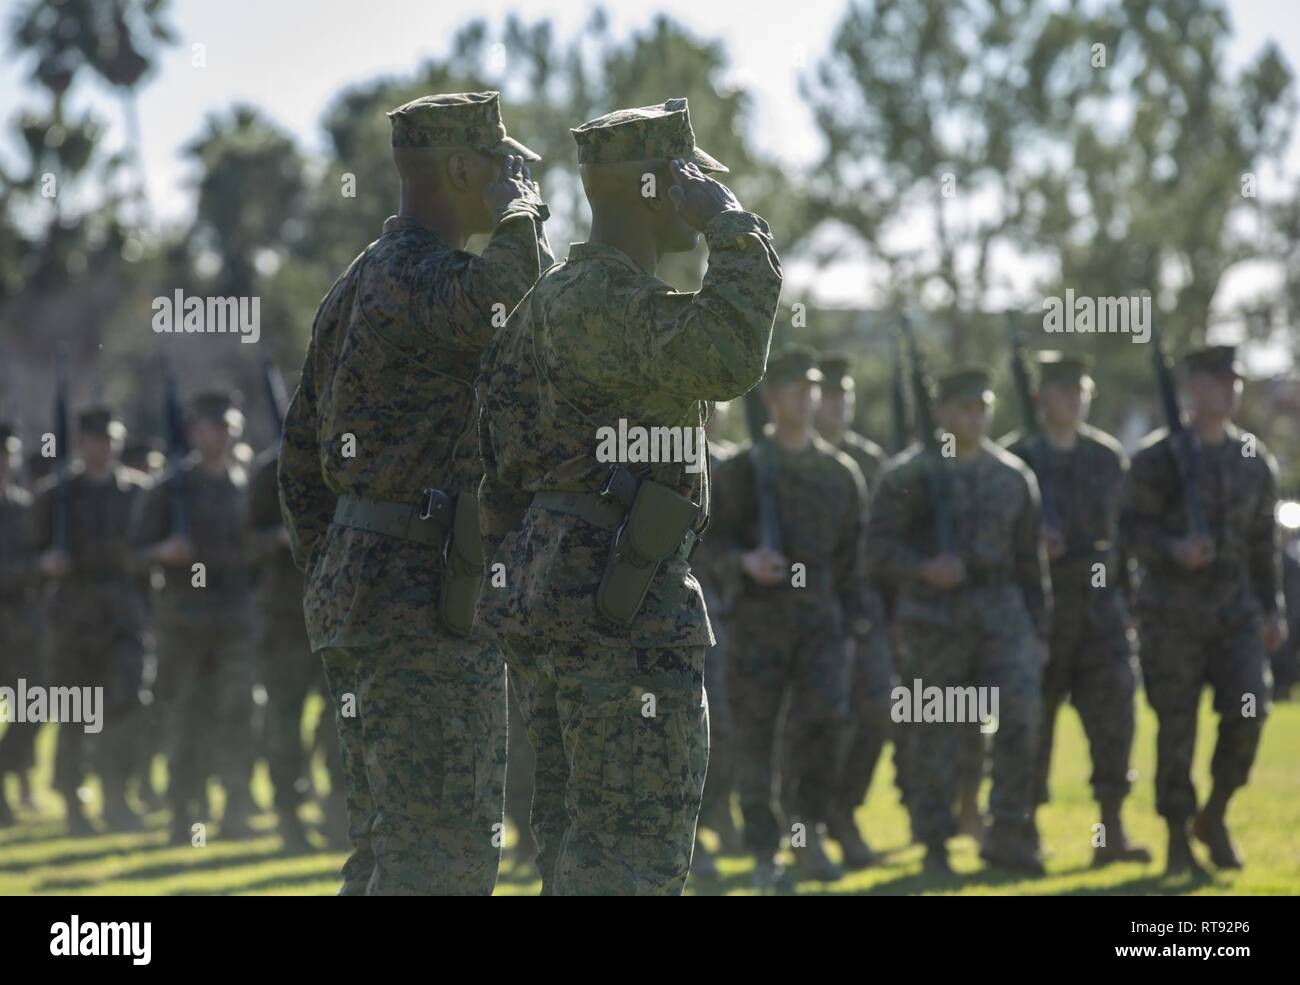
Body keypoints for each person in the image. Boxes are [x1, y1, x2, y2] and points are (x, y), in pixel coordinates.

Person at [477, 97, 782, 895]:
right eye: (687, 179)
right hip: (625, 610)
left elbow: (498, 466)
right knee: (633, 859)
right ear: (654, 189)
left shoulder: (545, 302)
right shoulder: (617, 304)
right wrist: (733, 226)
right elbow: (731, 356)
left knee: (575, 851)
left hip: (549, 602)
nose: (699, 191)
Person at [278, 91, 551, 895]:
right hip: (420, 603)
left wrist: (338, 566)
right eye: (498, 165)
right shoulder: (425, 276)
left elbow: (298, 462)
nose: (511, 177)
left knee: (386, 852)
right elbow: (508, 300)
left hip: (365, 596)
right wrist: (522, 213)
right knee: (444, 857)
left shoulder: (358, 281)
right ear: (463, 168)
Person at [867, 367, 1049, 875]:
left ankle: (1008, 831)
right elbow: (875, 552)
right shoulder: (907, 475)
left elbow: (1031, 565)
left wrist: (1039, 631)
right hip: (932, 619)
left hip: (1003, 616)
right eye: (965, 407)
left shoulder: (1014, 476)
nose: (975, 416)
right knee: (934, 728)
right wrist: (922, 568)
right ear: (942, 411)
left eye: (982, 406)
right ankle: (934, 843)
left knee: (1020, 714)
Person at [1121, 344, 1287, 875]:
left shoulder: (1252, 459)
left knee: (1249, 711)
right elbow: (1126, 531)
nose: (1229, 389)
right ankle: (1176, 834)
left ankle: (1213, 814)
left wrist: (1273, 609)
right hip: (1171, 615)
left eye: (1234, 380)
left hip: (1235, 614)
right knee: (1177, 729)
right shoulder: (1157, 457)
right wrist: (1173, 549)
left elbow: (1264, 541)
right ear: (1193, 386)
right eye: (1217, 380)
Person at [711, 347, 865, 887]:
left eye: (813, 390)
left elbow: (853, 558)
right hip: (757, 622)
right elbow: (708, 544)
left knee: (823, 726)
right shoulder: (740, 470)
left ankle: (809, 834)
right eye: (797, 390)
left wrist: (853, 627)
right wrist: (744, 562)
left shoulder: (840, 473)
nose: (808, 400)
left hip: (820, 622)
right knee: (755, 737)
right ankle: (763, 852)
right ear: (772, 397)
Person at [1001, 352, 1149, 865]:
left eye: (1081, 390)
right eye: (1065, 391)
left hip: (1100, 615)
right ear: (1041, 397)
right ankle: (1024, 832)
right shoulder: (1013, 460)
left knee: (1115, 722)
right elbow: (991, 543)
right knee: (1030, 728)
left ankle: (1111, 832)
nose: (1075, 399)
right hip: (1037, 616)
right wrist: (1030, 544)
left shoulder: (1108, 458)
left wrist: (1129, 602)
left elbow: (1125, 537)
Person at [129, 390, 256, 844]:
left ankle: (235, 811)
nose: (220, 434)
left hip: (236, 620)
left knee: (238, 711)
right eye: (211, 426)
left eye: (227, 425)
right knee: (186, 716)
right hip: (183, 623)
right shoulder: (168, 489)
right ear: (193, 431)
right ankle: (184, 813)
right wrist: (162, 552)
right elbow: (131, 555)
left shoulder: (247, 485)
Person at [33, 407, 149, 834]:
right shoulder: (53, 496)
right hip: (72, 621)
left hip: (122, 618)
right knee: (76, 715)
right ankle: (74, 805)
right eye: (96, 440)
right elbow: (25, 557)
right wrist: (45, 563)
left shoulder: (139, 493)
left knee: (124, 709)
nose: (105, 447)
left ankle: (118, 796)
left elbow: (154, 551)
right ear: (80, 443)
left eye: (111, 439)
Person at [815, 351, 894, 866]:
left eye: (847, 394)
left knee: (877, 709)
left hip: (863, 612)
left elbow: (887, 542)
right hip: (802, 609)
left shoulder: (871, 463)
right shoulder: (786, 456)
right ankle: (805, 821)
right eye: (830, 394)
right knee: (812, 720)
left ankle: (842, 810)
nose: (840, 403)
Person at [0, 422, 40, 827]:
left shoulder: (26, 508)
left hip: (22, 628)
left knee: (35, 706)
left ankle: (8, 768)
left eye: (6, 455)